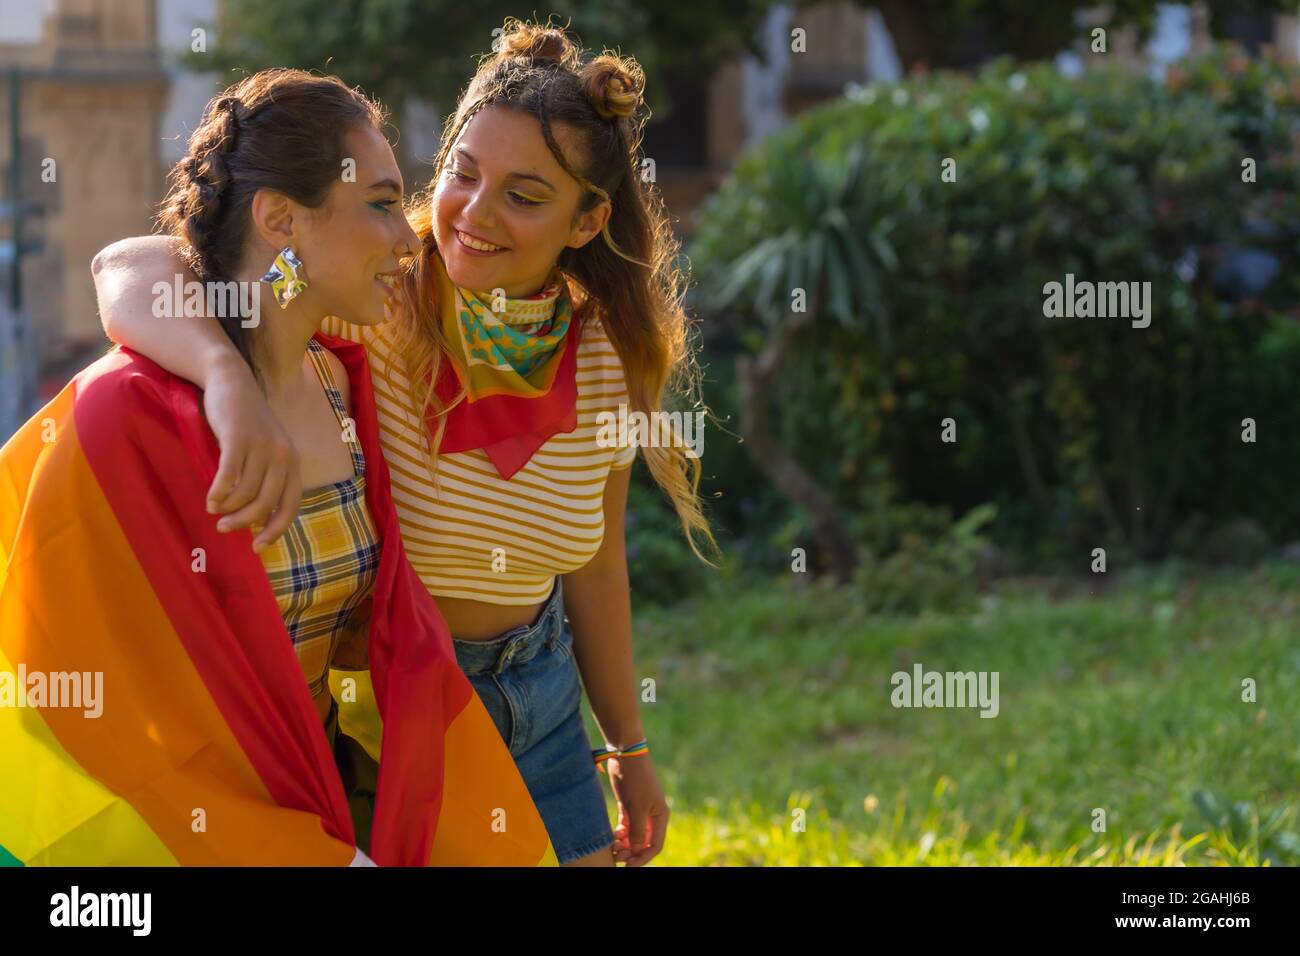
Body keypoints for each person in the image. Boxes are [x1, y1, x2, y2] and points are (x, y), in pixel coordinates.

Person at [92, 19, 720, 867]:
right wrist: (226, 376)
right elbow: (135, 267)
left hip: (542, 692)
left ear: (587, 220)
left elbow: (598, 566)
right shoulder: (374, 293)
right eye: (463, 173)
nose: (473, 214)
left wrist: (630, 750)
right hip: (403, 706)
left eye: (525, 196)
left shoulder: (609, 355)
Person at [0, 69, 553, 866]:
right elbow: (94, 715)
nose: (410, 237)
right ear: (281, 218)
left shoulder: (343, 381)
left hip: (321, 802)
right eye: (380, 203)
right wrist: (225, 379)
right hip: (179, 833)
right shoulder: (127, 415)